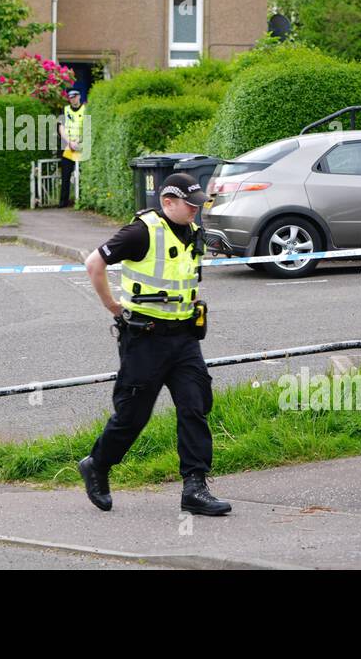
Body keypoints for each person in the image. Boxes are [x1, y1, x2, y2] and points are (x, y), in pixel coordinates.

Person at [77, 172, 232, 516]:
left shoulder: (193, 232)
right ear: (167, 202)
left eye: (198, 205)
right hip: (145, 337)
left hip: (184, 337)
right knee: (133, 415)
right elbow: (94, 264)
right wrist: (114, 308)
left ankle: (195, 487)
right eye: (190, 205)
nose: (196, 210)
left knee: (194, 406)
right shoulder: (141, 231)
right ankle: (97, 464)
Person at [57, 89, 86, 208]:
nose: (72, 99)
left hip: (82, 146)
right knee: (65, 175)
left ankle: (83, 200)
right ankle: (63, 202)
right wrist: (69, 142)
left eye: (74, 97)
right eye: (70, 97)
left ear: (79, 97)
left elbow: (87, 127)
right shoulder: (65, 110)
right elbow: (61, 128)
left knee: (83, 175)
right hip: (69, 147)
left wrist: (78, 141)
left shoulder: (86, 109)